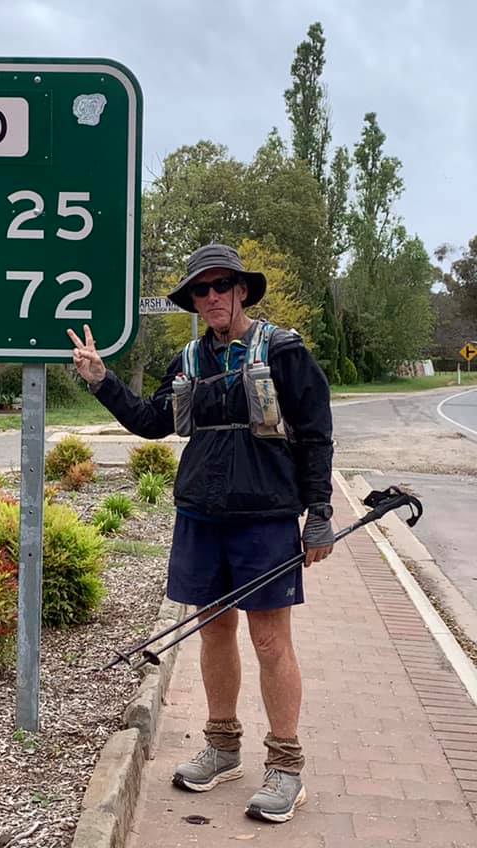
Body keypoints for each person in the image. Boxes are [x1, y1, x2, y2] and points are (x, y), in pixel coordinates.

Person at [68, 243, 334, 824]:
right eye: (200, 290)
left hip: (264, 518)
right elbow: (150, 422)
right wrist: (101, 379)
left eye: (220, 286)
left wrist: (319, 513)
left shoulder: (284, 352)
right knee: (214, 633)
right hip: (200, 517)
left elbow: (315, 435)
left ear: (242, 290)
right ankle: (223, 747)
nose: (210, 298)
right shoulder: (189, 359)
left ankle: (286, 768)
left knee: (271, 642)